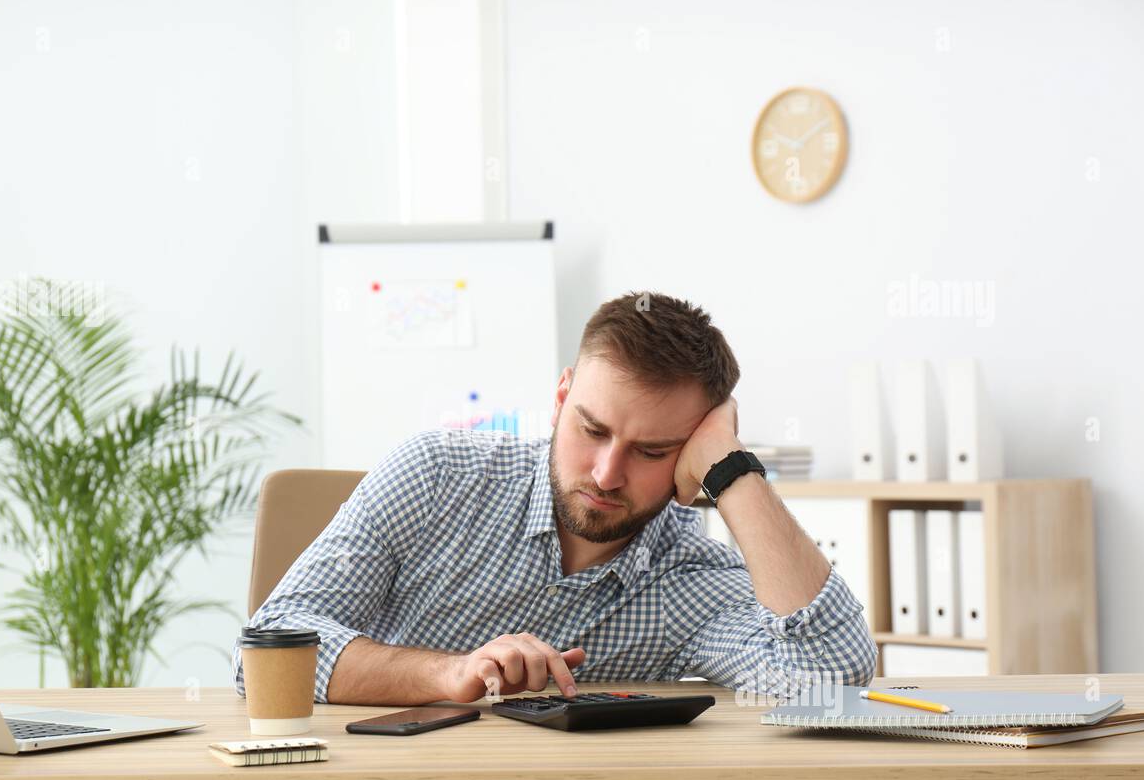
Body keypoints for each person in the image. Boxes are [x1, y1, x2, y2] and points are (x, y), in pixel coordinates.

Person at [234, 292, 876, 705]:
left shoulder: (690, 579)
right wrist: (449, 675)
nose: (604, 473)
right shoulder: (434, 474)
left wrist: (732, 470)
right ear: (561, 396)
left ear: (688, 457)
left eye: (653, 452)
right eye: (592, 430)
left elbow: (830, 674)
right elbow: (268, 649)